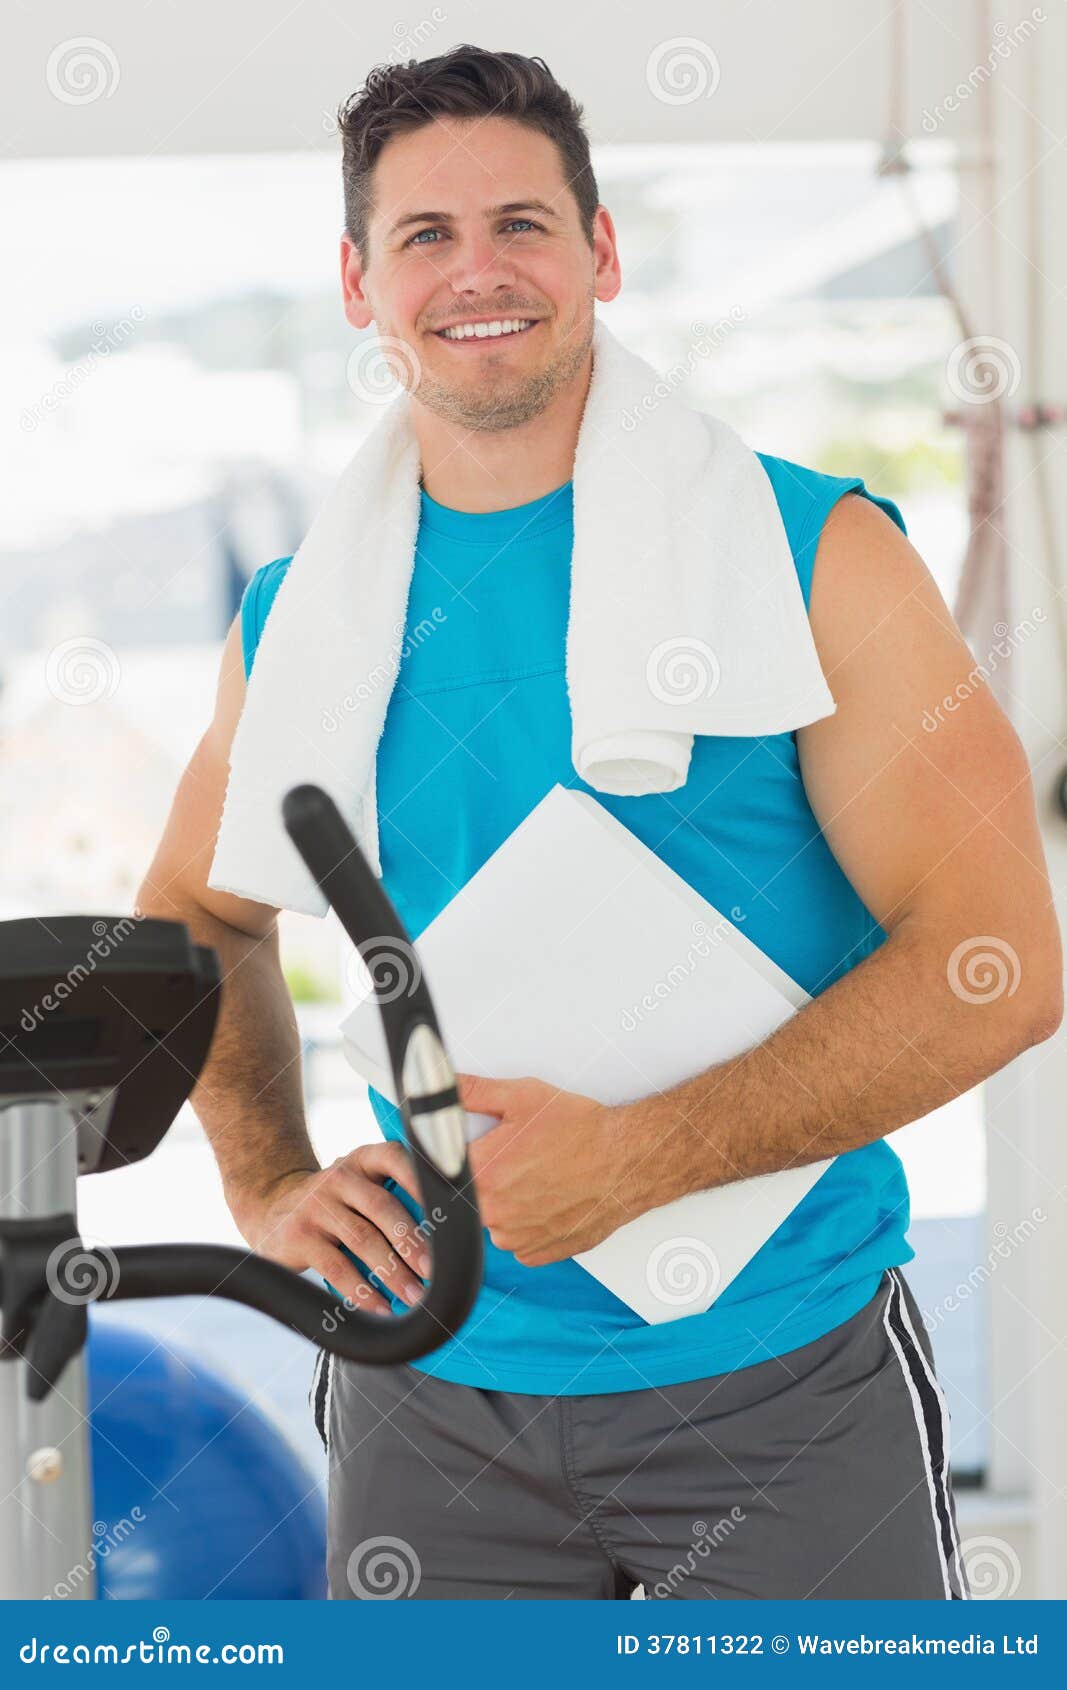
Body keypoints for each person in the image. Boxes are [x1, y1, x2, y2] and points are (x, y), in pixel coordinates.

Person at [137, 45, 1062, 1601]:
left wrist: (648, 1155)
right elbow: (196, 917)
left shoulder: (813, 555)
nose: (476, 270)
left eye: (522, 223)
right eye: (424, 237)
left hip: (781, 1379)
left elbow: (1003, 959)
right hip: (425, 1384)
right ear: (359, 283)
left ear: (601, 253)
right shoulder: (302, 617)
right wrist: (268, 1182)